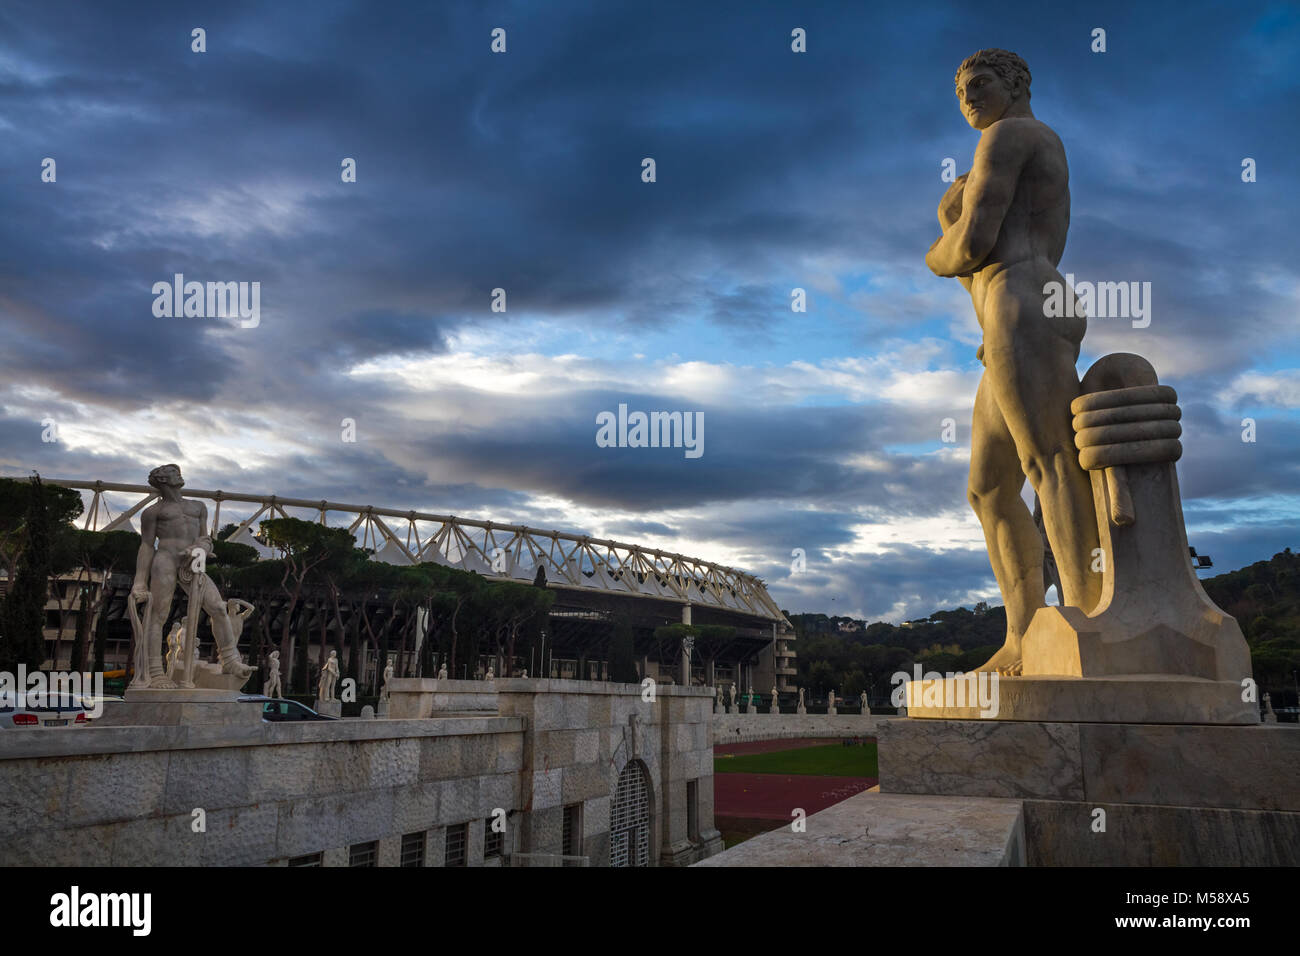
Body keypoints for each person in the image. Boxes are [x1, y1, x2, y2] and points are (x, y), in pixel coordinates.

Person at [925, 50, 1102, 674]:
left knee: (1051, 460)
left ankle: (1088, 619)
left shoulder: (1010, 135)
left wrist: (936, 245)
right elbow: (976, 260)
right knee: (990, 489)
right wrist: (957, 220)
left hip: (1023, 302)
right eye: (960, 90)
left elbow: (971, 247)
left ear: (1017, 83)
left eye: (980, 83)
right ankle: (1024, 637)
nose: (969, 96)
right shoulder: (1020, 141)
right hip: (1006, 311)